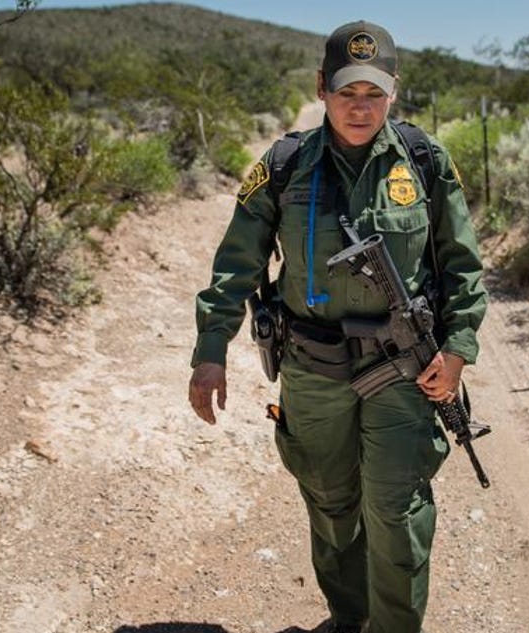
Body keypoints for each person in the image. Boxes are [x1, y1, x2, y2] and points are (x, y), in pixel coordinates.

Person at [187, 20, 488, 633]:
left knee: (396, 511)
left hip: (404, 372)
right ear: (322, 88)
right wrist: (210, 347)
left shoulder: (425, 161)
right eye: (348, 92)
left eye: (373, 94)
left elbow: (463, 266)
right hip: (313, 371)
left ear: (393, 92)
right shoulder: (286, 165)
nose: (360, 107)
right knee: (329, 504)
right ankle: (349, 620)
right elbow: (237, 262)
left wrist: (456, 351)